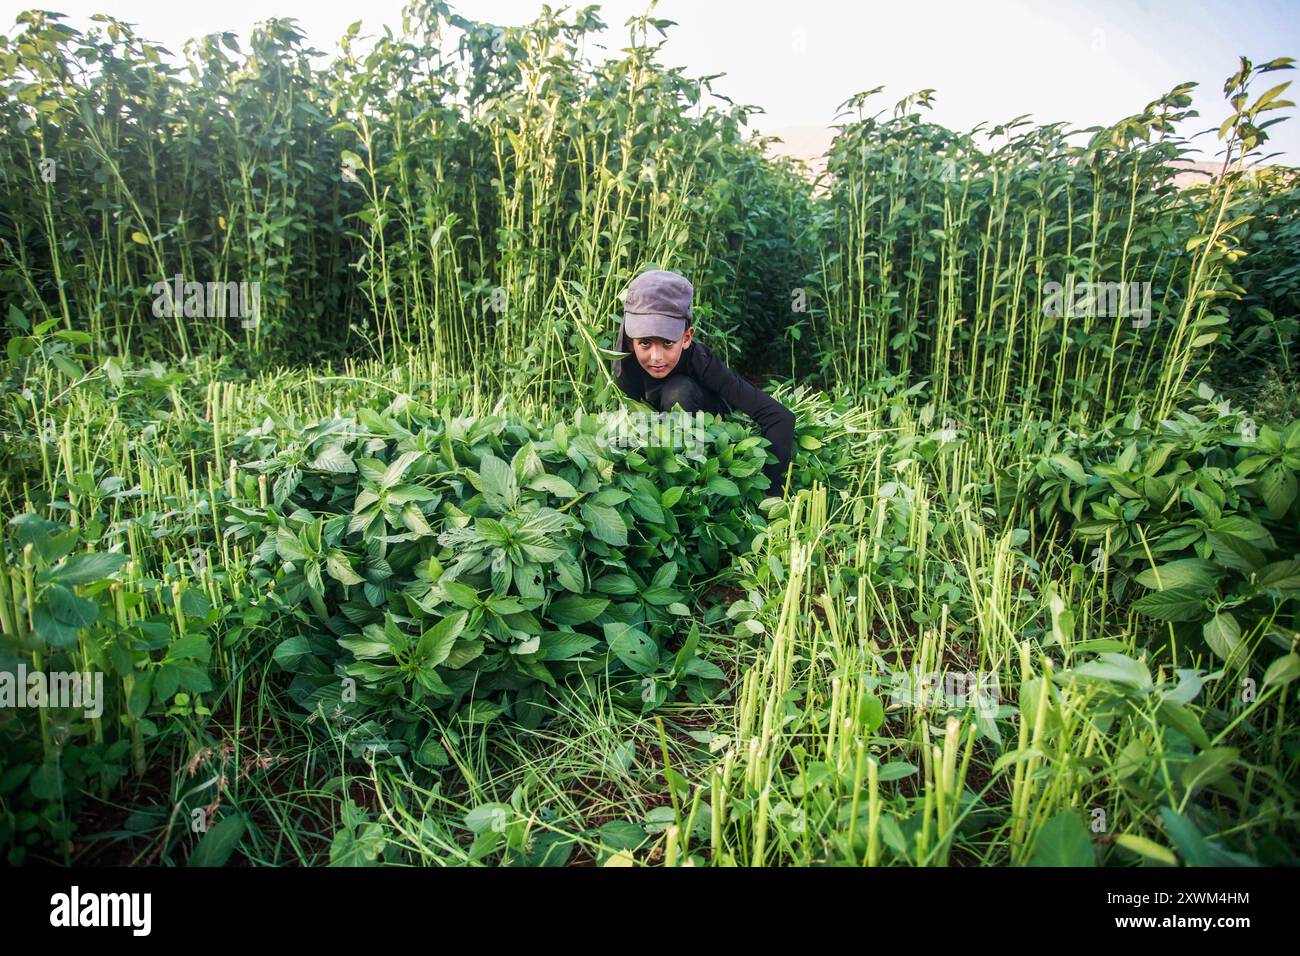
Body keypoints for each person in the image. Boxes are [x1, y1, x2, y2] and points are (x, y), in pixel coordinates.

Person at [610, 269, 796, 497]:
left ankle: (688, 486)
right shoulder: (624, 366)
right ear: (630, 342)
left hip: (706, 429)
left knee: (677, 392)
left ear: (687, 338)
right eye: (645, 343)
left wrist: (772, 495)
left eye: (668, 342)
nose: (656, 357)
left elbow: (780, 417)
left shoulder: (703, 362)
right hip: (660, 433)